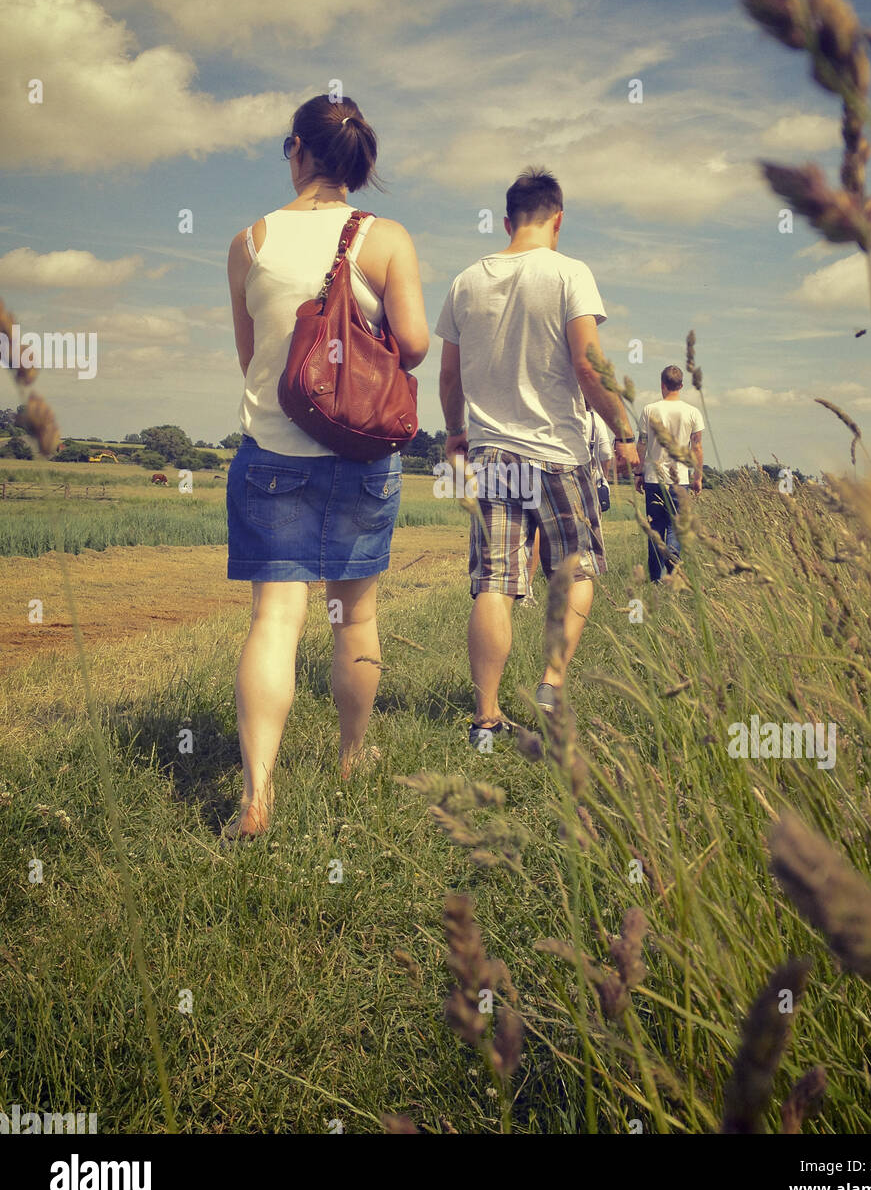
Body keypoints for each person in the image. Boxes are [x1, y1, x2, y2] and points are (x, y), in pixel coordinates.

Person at [225, 94, 428, 837]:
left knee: (275, 621)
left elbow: (254, 361)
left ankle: (256, 797)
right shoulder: (386, 237)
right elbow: (412, 344)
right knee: (353, 616)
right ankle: (350, 758)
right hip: (360, 453)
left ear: (297, 152)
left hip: (271, 451)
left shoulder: (247, 241)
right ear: (357, 164)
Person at [436, 168, 638, 745]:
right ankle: (551, 682)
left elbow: (448, 375)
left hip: (493, 452)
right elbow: (587, 363)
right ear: (559, 219)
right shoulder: (569, 272)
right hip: (557, 452)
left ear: (506, 221)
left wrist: (455, 431)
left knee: (493, 583)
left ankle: (485, 720)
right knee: (576, 568)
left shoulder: (466, 281)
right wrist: (622, 431)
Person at [522, 404, 613, 607]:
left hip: (538, 471)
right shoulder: (595, 420)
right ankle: (571, 589)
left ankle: (528, 585)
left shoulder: (555, 409)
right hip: (581, 481)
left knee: (538, 531)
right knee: (578, 543)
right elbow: (606, 455)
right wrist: (602, 476)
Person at [635, 365, 704, 583]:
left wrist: (639, 472)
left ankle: (656, 580)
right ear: (681, 385)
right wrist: (697, 477)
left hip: (654, 478)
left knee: (655, 528)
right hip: (680, 480)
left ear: (662, 384)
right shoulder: (693, 412)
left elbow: (642, 443)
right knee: (676, 528)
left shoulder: (649, 410)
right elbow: (697, 447)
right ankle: (672, 571)